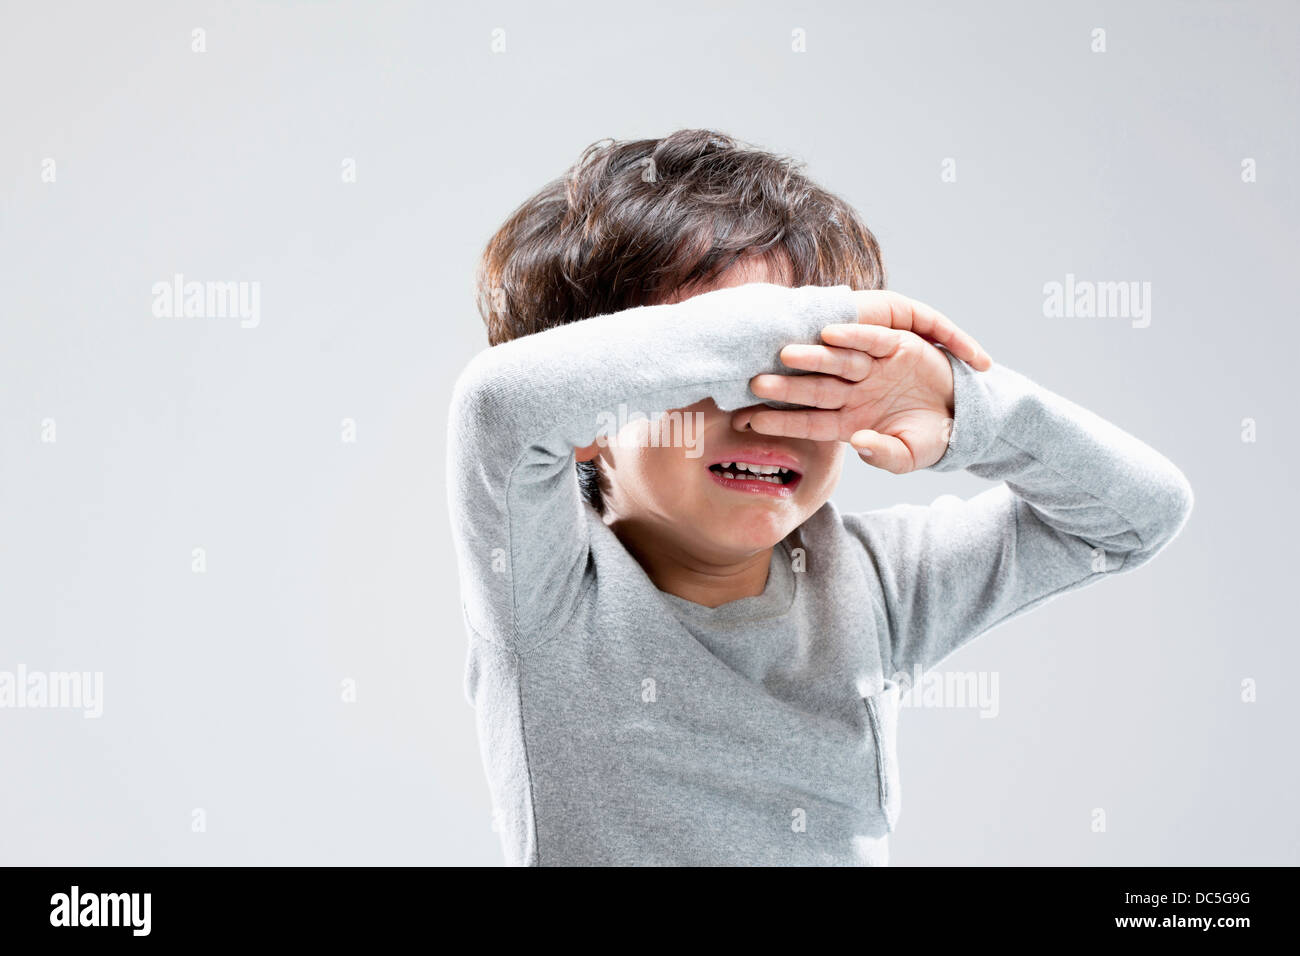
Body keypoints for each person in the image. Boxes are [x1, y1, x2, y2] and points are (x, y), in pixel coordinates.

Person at [447, 129, 1193, 865]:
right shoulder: (542, 595)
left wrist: (964, 407)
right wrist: (798, 322)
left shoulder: (876, 581)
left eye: (813, 373)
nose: (762, 413)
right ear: (588, 417)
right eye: (720, 363)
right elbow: (501, 404)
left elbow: (1140, 514)